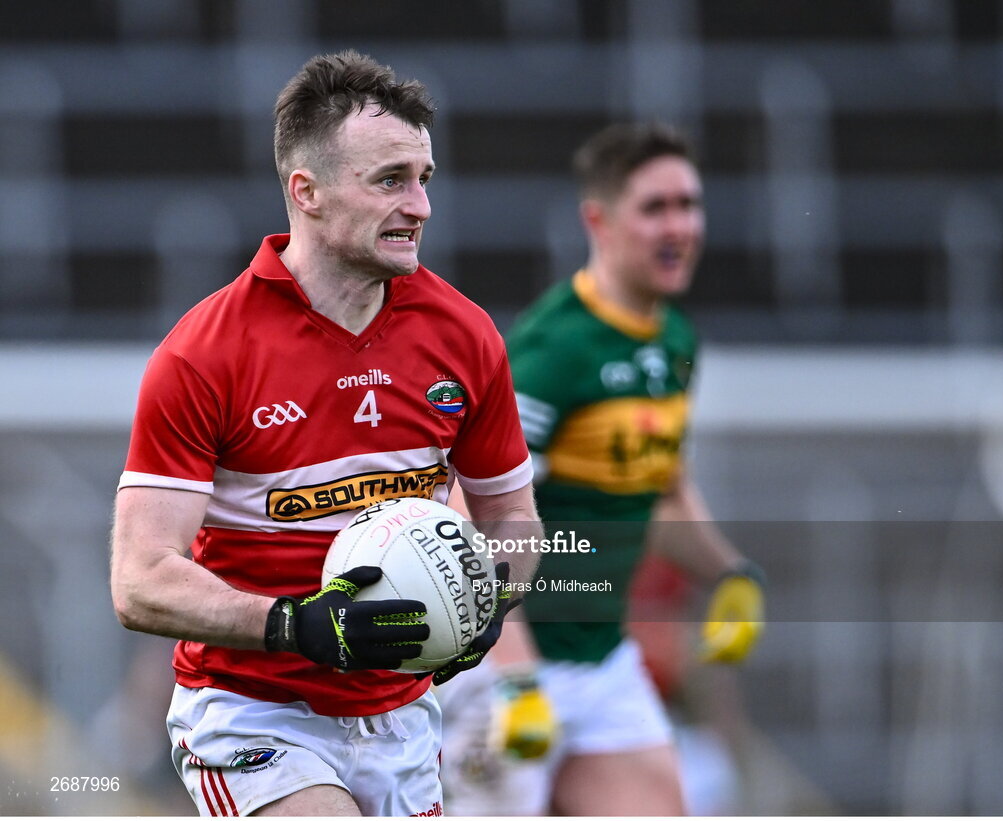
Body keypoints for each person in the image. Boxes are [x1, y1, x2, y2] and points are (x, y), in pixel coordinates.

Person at [109, 50, 541, 818]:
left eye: (424, 178)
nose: (421, 206)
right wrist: (294, 624)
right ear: (305, 192)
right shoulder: (204, 353)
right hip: (253, 712)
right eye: (390, 181)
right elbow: (140, 577)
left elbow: (513, 519)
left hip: (404, 716)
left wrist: (485, 605)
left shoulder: (466, 335)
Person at [439, 122, 765, 817]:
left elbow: (664, 488)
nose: (679, 225)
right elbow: (471, 513)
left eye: (689, 203)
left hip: (601, 659)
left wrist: (730, 573)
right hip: (503, 668)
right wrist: (514, 671)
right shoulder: (553, 349)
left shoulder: (675, 340)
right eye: (655, 207)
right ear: (600, 220)